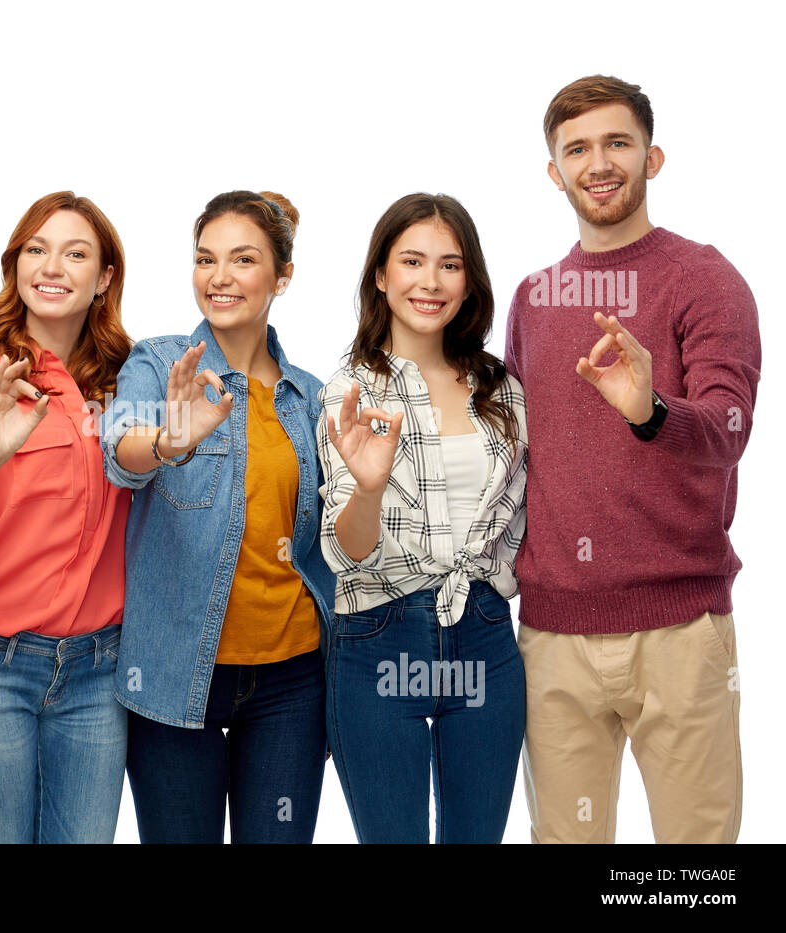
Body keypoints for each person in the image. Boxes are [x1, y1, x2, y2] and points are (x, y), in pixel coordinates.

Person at [506, 75, 759, 844]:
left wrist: (650, 410)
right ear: (555, 172)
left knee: (697, 864)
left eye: (617, 142)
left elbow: (729, 425)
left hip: (679, 630)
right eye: (577, 148)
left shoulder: (705, 278)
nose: (599, 162)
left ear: (652, 157)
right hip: (552, 633)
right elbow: (514, 453)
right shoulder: (532, 297)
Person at [101, 190, 334, 844]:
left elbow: (335, 540)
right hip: (175, 674)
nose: (220, 277)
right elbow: (122, 452)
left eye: (243, 259)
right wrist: (173, 438)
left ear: (282, 277)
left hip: (292, 678)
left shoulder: (309, 397)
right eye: (206, 259)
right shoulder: (160, 362)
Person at [0, 192, 132, 844]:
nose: (52, 266)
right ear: (15, 267)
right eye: (36, 250)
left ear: (105, 278)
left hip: (97, 672)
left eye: (75, 253)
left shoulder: (128, 382)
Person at [317, 193, 528, 844]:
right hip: (380, 640)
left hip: (486, 638)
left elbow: (524, 523)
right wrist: (370, 487)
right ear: (381, 275)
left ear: (470, 281)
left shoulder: (502, 389)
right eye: (412, 261)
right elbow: (348, 553)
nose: (430, 282)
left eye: (450, 264)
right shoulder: (350, 391)